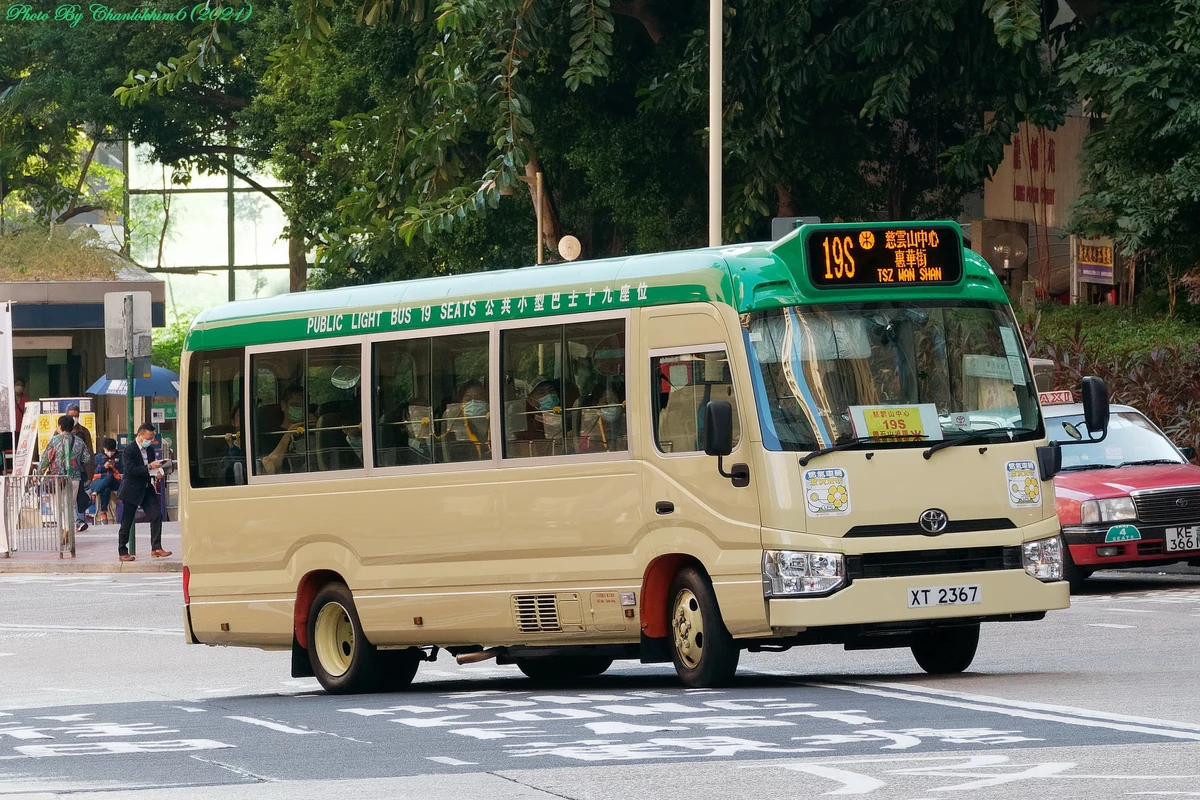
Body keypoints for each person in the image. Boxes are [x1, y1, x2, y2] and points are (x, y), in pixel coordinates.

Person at [117, 423, 171, 562]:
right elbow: (131, 470)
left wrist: (158, 472)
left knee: (156, 515)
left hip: (147, 487)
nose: (150, 441)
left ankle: (156, 547)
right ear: (139, 436)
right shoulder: (129, 450)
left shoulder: (150, 450)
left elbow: (151, 468)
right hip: (132, 488)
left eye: (152, 438)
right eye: (148, 438)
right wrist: (149, 467)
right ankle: (123, 550)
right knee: (127, 521)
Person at [37, 415, 87, 533]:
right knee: (70, 505)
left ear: (60, 426)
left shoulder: (55, 440)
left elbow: (45, 459)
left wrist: (39, 473)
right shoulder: (79, 441)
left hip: (57, 478)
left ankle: (63, 529)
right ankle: (69, 529)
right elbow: (86, 458)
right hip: (75, 477)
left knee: (56, 505)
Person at [263, 386, 313, 474]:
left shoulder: (312, 431)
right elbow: (270, 468)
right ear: (283, 405)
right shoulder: (270, 436)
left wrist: (317, 429)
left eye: (304, 405)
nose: (300, 409)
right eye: (296, 405)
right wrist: (288, 435)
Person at [66, 403, 93, 531]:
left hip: (80, 470)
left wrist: (90, 472)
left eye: (76, 416)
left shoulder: (84, 432)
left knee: (80, 496)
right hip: (64, 472)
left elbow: (89, 454)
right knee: (66, 498)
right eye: (71, 416)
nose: (74, 418)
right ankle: (68, 523)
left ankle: (80, 521)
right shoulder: (58, 433)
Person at [90, 438, 122, 524]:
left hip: (114, 481)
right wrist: (104, 467)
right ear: (104, 448)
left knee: (110, 476)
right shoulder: (98, 457)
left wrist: (114, 467)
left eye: (112, 451)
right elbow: (93, 471)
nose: (110, 453)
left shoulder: (119, 456)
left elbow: (123, 471)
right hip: (99, 481)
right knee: (106, 488)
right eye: (108, 450)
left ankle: (95, 493)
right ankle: (103, 512)